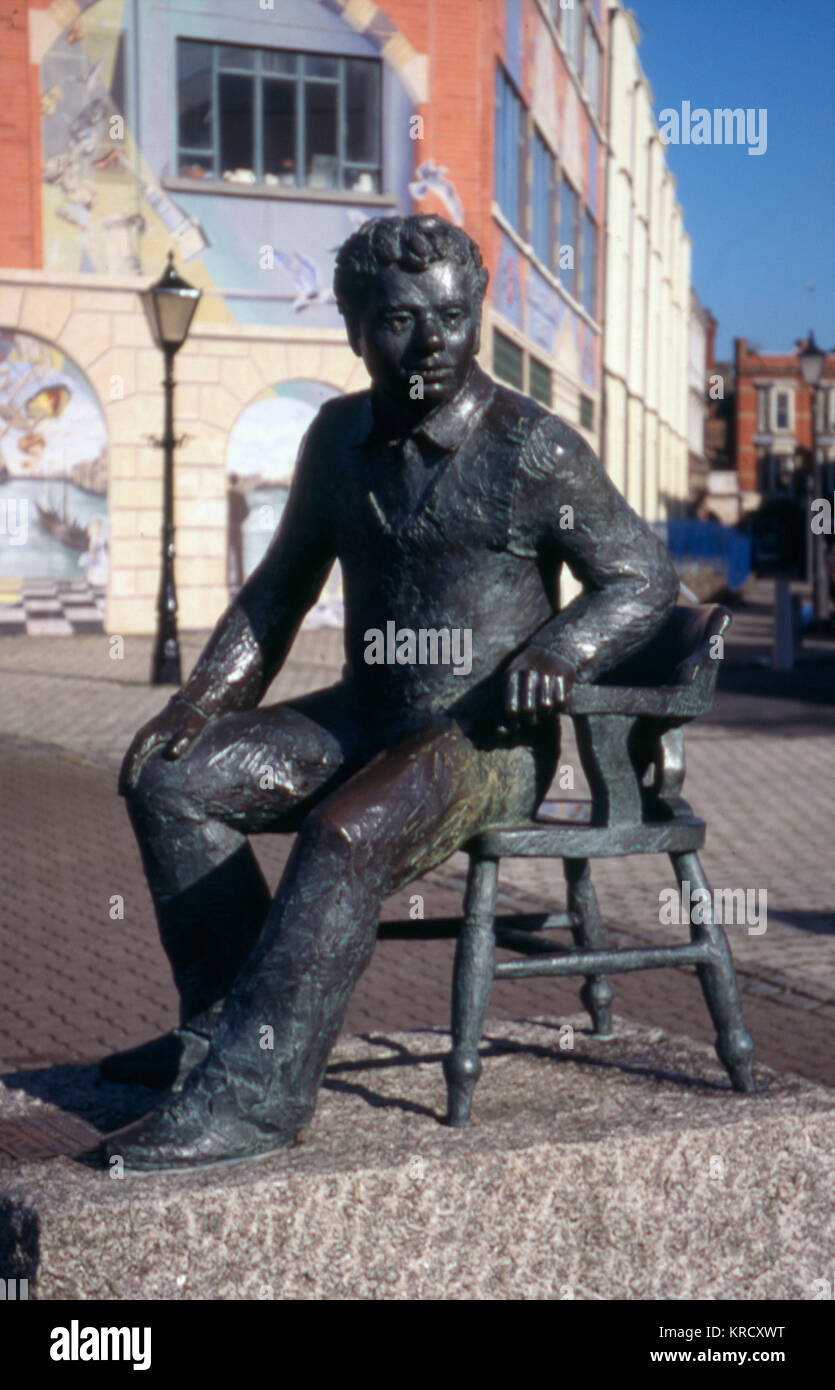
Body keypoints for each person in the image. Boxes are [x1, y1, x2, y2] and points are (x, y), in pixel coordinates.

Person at [104, 214, 678, 1170]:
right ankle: (218, 1034)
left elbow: (642, 577)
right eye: (403, 320)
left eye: (453, 316)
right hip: (365, 713)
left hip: (484, 736)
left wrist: (561, 652)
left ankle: (256, 1097)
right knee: (171, 781)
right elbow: (277, 589)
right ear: (355, 330)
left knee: (346, 833)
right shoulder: (335, 439)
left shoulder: (532, 449)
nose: (434, 340)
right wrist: (199, 704)